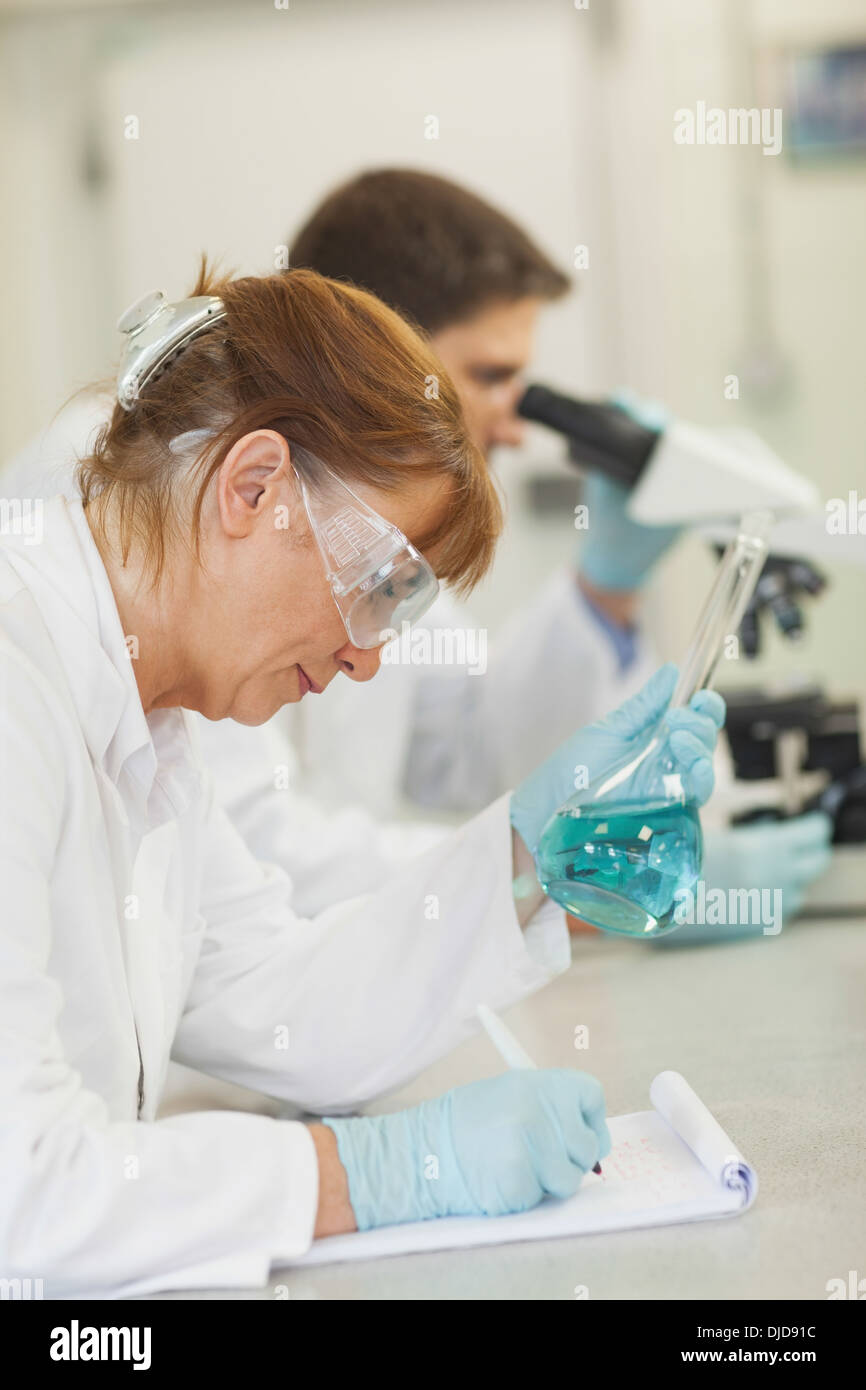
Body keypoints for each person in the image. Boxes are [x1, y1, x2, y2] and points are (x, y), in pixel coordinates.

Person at [0, 263, 725, 1295]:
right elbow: (21, 1186)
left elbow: (288, 1005)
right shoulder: (13, 680)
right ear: (252, 487)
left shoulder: (150, 733)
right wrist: (379, 1172)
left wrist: (533, 848)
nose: (369, 656)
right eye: (377, 586)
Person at [0, 169, 830, 927]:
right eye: (493, 375)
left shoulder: (354, 529)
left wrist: (604, 592)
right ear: (385, 352)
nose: (513, 421)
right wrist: (554, 880)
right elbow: (259, 854)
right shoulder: (133, 505)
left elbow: (469, 742)